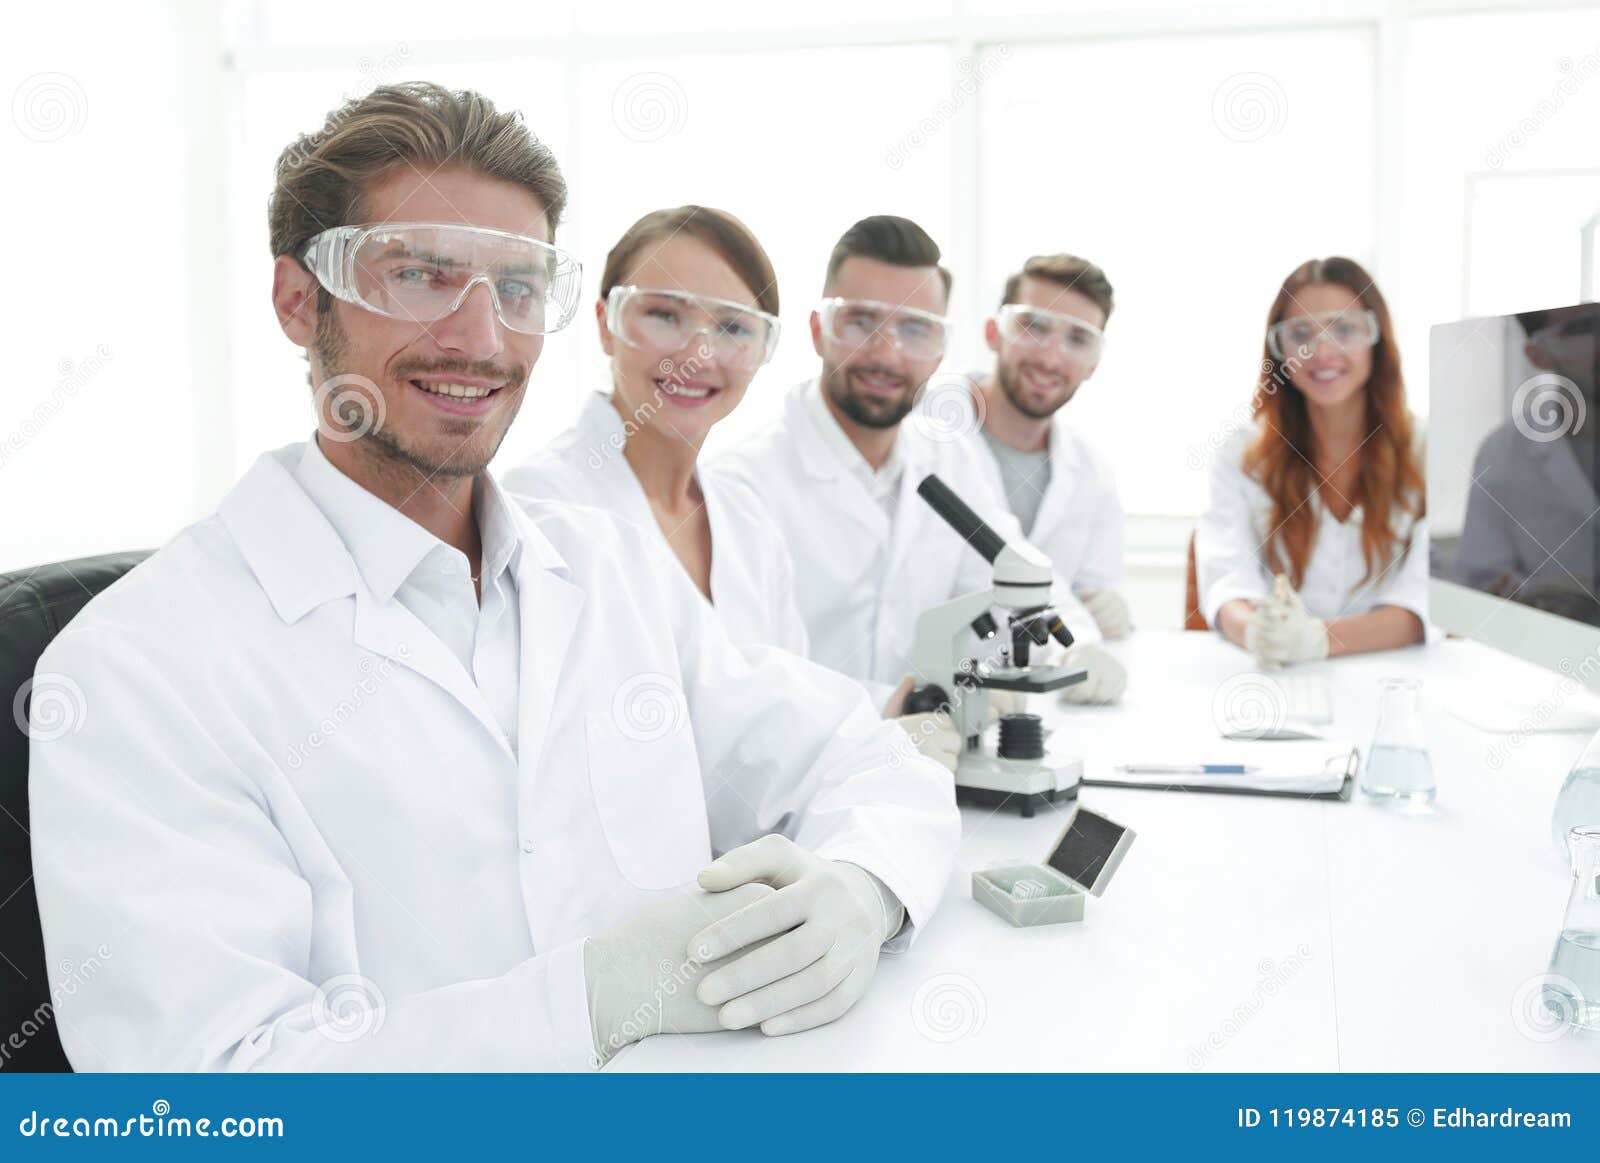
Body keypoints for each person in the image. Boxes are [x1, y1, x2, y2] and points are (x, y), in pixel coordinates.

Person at [27, 83, 959, 1072]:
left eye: (516, 286)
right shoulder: (135, 666)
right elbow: (205, 1094)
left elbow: (866, 756)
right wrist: (587, 1003)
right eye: (421, 275)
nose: (479, 338)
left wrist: (865, 886)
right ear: (300, 302)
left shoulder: (604, 565)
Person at [503, 207, 960, 771]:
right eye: (664, 314)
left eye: (733, 328)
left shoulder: (742, 517)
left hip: (760, 847)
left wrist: (886, 715)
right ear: (605, 324)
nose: (699, 354)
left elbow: (785, 701)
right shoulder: (540, 506)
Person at [715, 216, 1124, 710]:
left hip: (925, 765)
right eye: (861, 322)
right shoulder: (743, 484)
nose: (887, 354)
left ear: (940, 350)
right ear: (819, 331)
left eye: (915, 329)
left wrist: (1074, 644)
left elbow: (1010, 574)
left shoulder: (949, 460)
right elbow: (746, 678)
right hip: (800, 776)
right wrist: (894, 711)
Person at [1196, 256, 1429, 666]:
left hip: (1394, 678)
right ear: (1279, 349)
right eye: (1300, 333)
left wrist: (1316, 640)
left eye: (1344, 329)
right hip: (1276, 675)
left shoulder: (1428, 450)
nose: (1322, 351)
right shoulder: (1240, 455)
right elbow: (1228, 585)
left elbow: (1423, 604)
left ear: (1378, 339)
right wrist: (1260, 634)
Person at [949, 253, 1129, 639]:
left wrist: (1108, 616)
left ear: (1093, 364)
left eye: (1078, 339)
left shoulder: (1092, 474)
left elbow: (1094, 592)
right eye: (1033, 327)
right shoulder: (925, 438)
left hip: (1044, 689)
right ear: (993, 332)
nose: (1050, 357)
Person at [1453, 304, 1600, 625]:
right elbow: (1481, 585)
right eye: (1583, 327)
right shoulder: (1502, 453)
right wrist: (1546, 598)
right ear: (1538, 354)